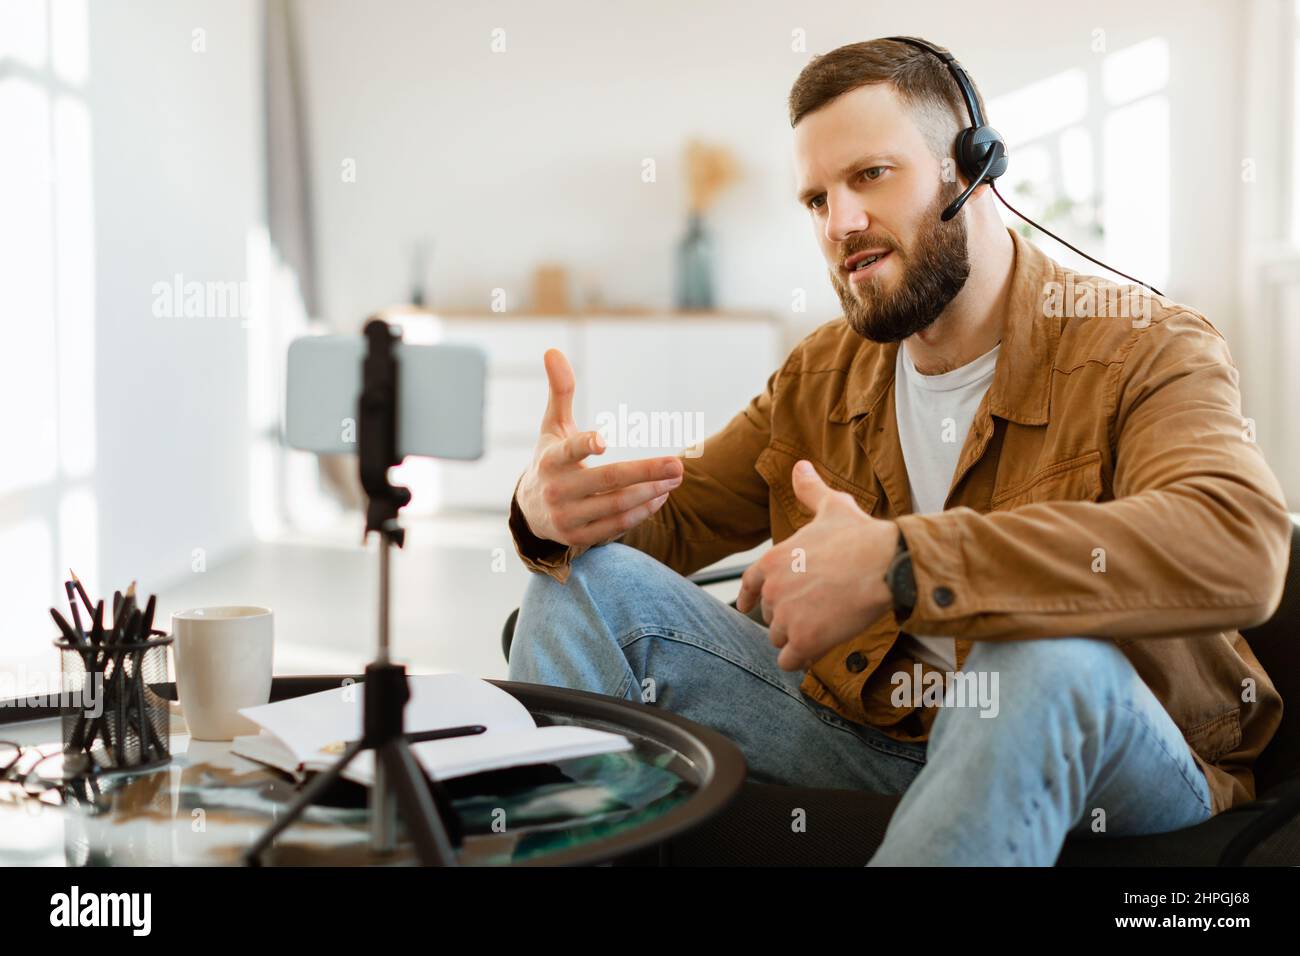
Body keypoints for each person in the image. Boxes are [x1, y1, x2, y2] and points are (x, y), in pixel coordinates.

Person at [504, 37, 1291, 865]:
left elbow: (1238, 545)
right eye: (816, 199)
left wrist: (901, 565)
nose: (841, 223)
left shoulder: (1145, 347)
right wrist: (551, 508)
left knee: (1039, 656)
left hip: (1114, 744)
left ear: (972, 168)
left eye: (871, 175)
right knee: (580, 588)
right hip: (879, 733)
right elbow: (670, 521)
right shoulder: (820, 372)